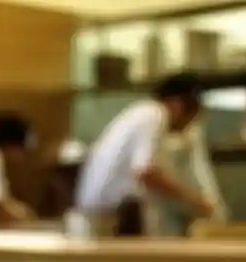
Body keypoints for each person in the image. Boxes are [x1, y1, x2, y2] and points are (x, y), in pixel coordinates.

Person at [72, 73, 216, 237]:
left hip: (106, 215)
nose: (189, 124)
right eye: (192, 116)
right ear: (177, 105)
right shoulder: (154, 114)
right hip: (105, 219)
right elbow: (146, 172)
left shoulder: (143, 114)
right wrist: (193, 201)